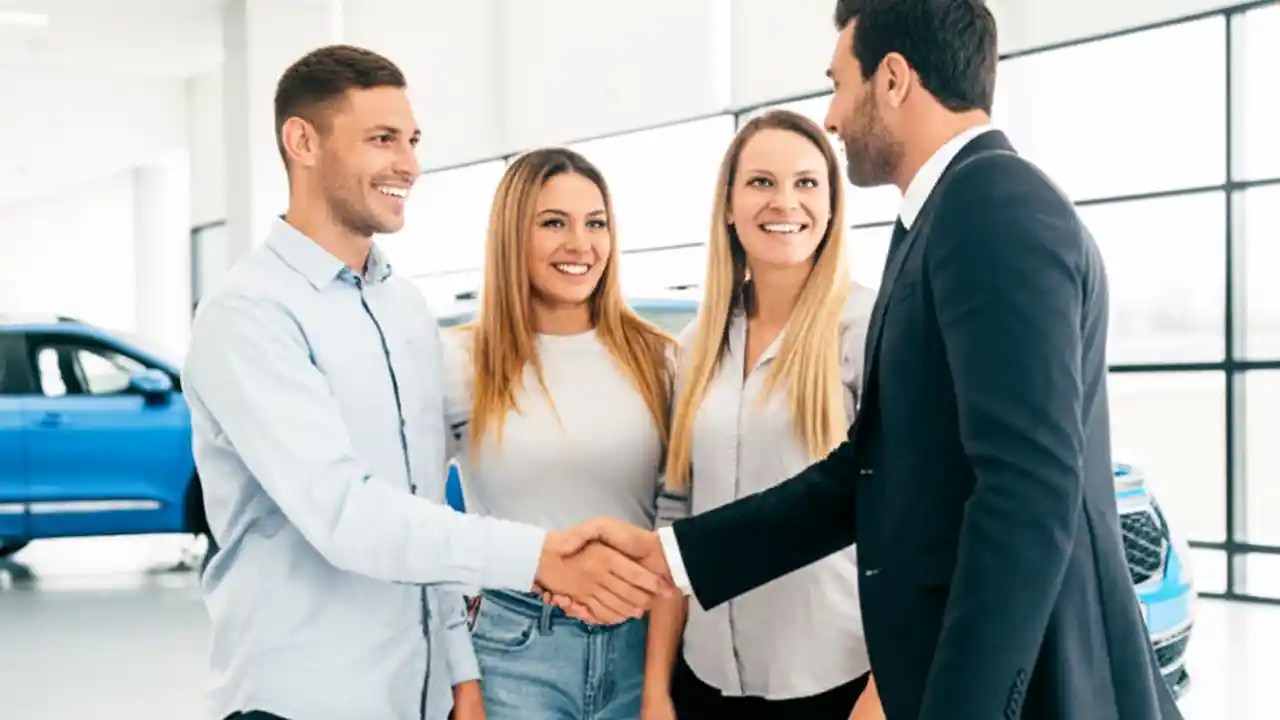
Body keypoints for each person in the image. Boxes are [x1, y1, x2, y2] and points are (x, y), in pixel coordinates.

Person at [569, 1, 1186, 718]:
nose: (830, 118)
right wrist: (673, 556)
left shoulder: (992, 207)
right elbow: (862, 475)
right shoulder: (937, 220)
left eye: (839, 83)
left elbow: (1027, 493)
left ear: (892, 79)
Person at [182, 46, 667, 720]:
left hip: (417, 698)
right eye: (382, 139)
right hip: (301, 702)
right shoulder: (248, 315)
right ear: (303, 142)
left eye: (412, 141)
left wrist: (458, 674)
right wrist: (539, 556)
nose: (408, 163)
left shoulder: (403, 309)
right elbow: (347, 516)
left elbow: (425, 511)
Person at [640, 109, 880, 719]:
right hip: (706, 679)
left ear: (831, 206)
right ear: (728, 205)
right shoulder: (696, 345)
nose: (785, 202)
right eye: (761, 182)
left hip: (835, 682)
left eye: (806, 183)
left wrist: (881, 695)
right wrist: (656, 688)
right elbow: (676, 516)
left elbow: (908, 522)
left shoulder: (868, 329)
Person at [439, 147, 675, 719]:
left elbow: (677, 528)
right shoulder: (461, 362)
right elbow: (426, 532)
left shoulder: (661, 360)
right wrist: (461, 682)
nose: (581, 244)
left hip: (641, 647)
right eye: (553, 223)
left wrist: (658, 689)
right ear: (511, 236)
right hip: (512, 654)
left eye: (596, 224)